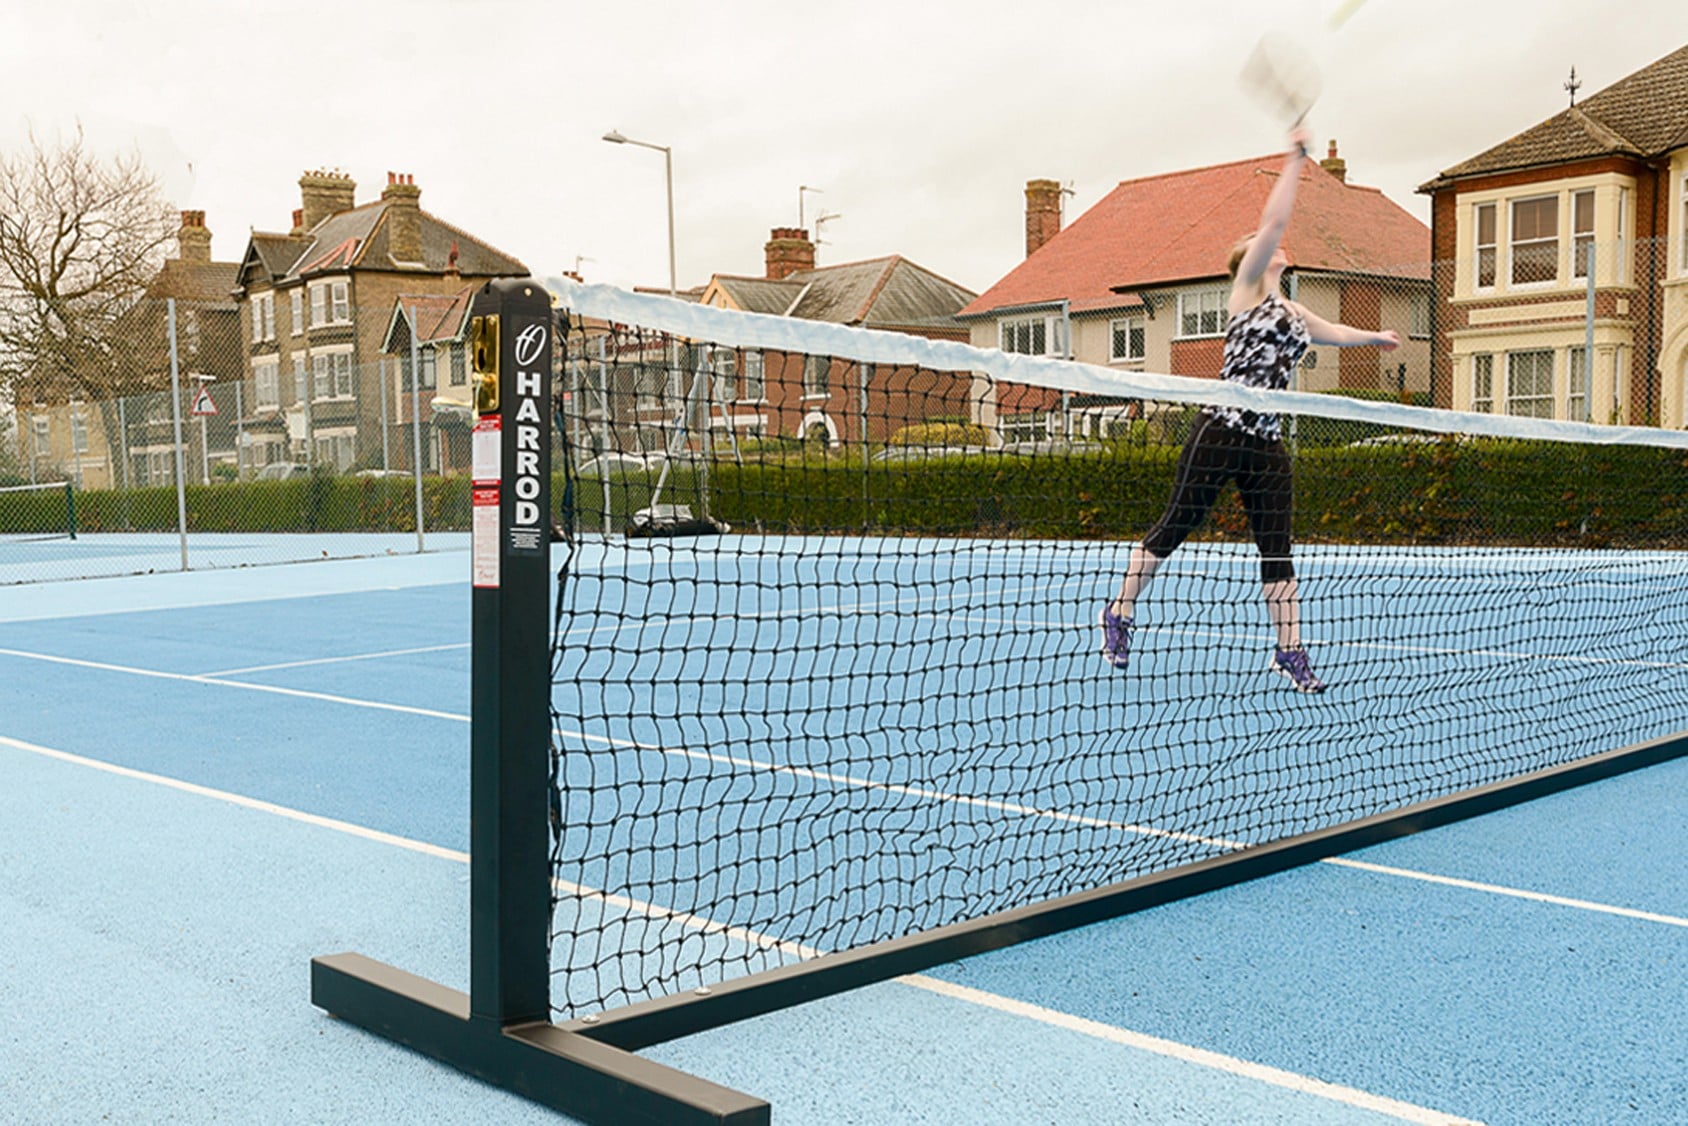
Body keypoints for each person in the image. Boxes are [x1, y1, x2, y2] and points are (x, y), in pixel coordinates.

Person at [1098, 126, 1400, 693]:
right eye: (1262, 244)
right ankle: (1119, 612)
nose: (1274, 247)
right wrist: (1294, 160)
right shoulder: (1245, 290)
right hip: (1221, 429)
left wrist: (1374, 338)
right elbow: (1274, 222)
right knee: (1174, 527)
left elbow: (1329, 331)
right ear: (1251, 258)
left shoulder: (1292, 311)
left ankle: (1291, 650)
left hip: (1266, 441)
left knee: (1277, 548)